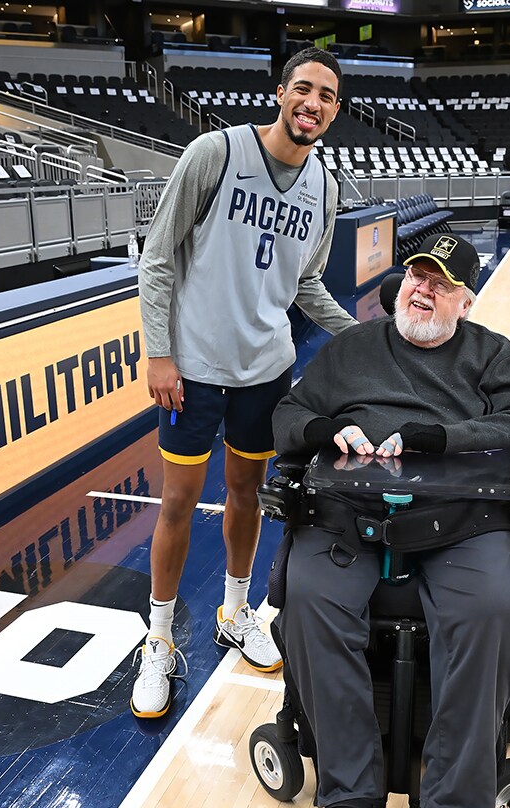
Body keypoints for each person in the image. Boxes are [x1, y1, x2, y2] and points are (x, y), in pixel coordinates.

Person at [271, 233, 510, 808]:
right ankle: (352, 804)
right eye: (416, 277)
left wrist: (446, 439)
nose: (422, 289)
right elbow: (292, 412)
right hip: (351, 512)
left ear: (463, 301)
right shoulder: (350, 351)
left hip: (463, 517)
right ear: (398, 285)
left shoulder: (492, 355)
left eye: (440, 283)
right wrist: (323, 432)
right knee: (311, 595)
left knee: (491, 606)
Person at [132, 48, 357, 720]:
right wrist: (159, 353)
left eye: (327, 97)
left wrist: (367, 339)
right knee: (177, 502)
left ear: (336, 111)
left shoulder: (324, 185)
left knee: (246, 495)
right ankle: (160, 637)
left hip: (265, 371)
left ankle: (235, 611)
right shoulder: (216, 152)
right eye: (304, 89)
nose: (312, 104)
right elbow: (158, 256)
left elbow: (307, 283)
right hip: (193, 370)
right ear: (281, 92)